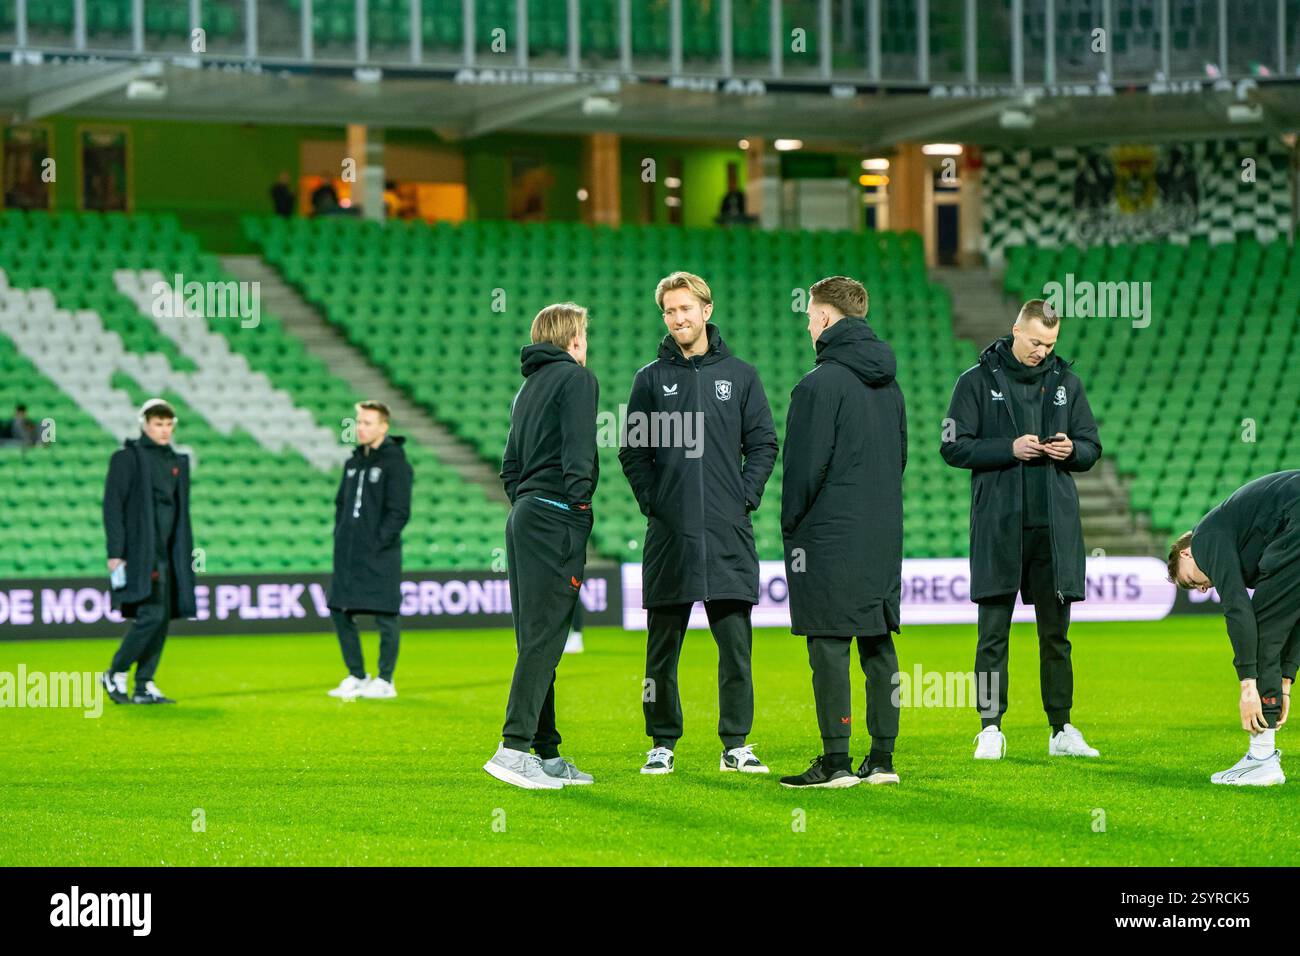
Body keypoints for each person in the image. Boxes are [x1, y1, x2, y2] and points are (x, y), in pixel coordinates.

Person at [619, 271, 778, 775]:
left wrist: (743, 498)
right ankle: (662, 741)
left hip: (728, 532)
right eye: (669, 311)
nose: (678, 318)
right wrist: (657, 504)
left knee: (735, 648)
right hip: (670, 535)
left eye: (686, 308)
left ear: (706, 310)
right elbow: (633, 451)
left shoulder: (742, 375)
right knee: (662, 649)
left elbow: (765, 445)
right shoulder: (649, 378)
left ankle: (736, 743)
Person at [940, 299, 1103, 760]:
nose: (1042, 352)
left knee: (1056, 636)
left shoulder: (1067, 383)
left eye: (1050, 344)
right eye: (1036, 342)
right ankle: (990, 728)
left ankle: (1061, 729)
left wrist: (1072, 450)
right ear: (1016, 330)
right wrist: (1008, 447)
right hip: (999, 527)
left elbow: (1092, 447)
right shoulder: (973, 382)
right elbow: (952, 446)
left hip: (1053, 531)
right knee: (993, 633)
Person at [778, 276, 907, 789]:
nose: (808, 325)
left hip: (828, 534)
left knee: (828, 644)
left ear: (827, 319)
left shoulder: (817, 385)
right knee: (877, 641)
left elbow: (803, 471)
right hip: (881, 529)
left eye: (810, 316)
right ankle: (882, 760)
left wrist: (792, 524)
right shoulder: (890, 384)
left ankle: (835, 761)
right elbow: (900, 458)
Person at [484, 303, 600, 790]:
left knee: (536, 636)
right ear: (573, 338)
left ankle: (546, 752)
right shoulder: (577, 379)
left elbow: (509, 465)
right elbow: (580, 449)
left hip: (525, 514)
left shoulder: (526, 388)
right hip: (554, 514)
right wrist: (578, 506)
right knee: (546, 639)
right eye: (585, 335)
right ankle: (512, 749)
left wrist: (528, 501)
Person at [1167, 470, 1300, 786]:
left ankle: (1262, 759)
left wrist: (1247, 685)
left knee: (1261, 631)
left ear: (1187, 552)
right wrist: (1285, 680)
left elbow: (1238, 610)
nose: (1199, 589)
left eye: (1188, 580)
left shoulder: (1204, 538)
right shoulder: (1238, 536)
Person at [100, 399, 196, 705]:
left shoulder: (177, 461)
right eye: (158, 424)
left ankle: (144, 684)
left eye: (169, 424)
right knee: (151, 614)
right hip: (140, 552)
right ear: (145, 424)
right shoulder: (126, 458)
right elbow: (112, 507)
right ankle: (115, 672)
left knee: (162, 616)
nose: (164, 430)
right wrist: (116, 552)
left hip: (169, 552)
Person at [326, 400, 413, 700]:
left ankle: (386, 680)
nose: (360, 428)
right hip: (348, 552)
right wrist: (341, 535)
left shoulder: (396, 461)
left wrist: (379, 541)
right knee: (339, 609)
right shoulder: (353, 462)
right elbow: (341, 504)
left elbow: (399, 511)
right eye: (359, 422)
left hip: (380, 553)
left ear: (383, 427)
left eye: (366, 423)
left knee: (385, 614)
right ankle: (358, 675)